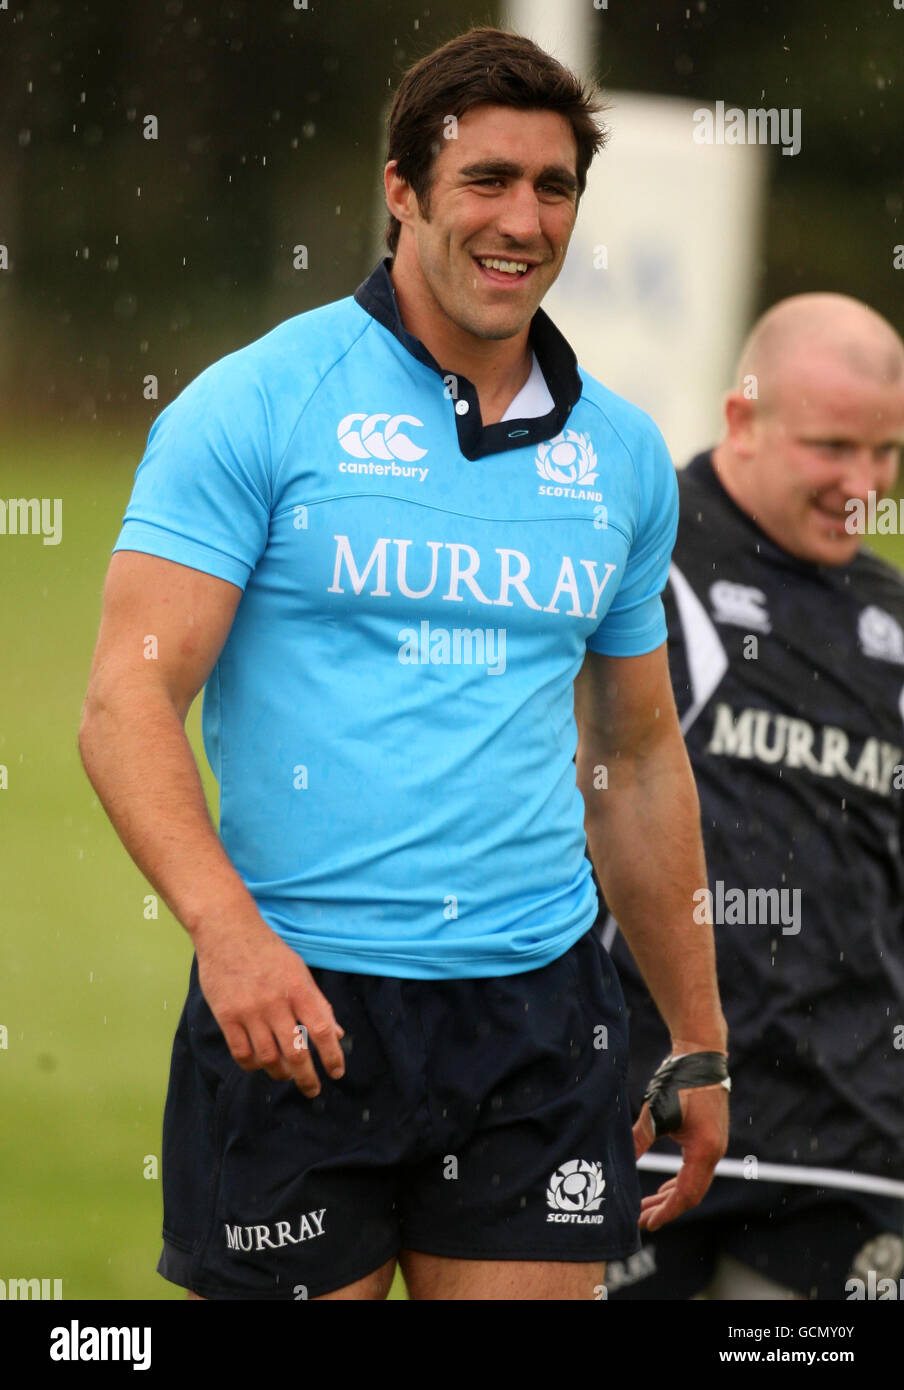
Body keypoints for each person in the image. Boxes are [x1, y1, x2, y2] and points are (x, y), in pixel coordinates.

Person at [78, 26, 728, 1302]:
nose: (521, 219)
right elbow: (125, 697)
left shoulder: (623, 456)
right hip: (297, 1002)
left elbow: (639, 759)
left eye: (552, 187)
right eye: (485, 179)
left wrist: (697, 1036)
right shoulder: (259, 401)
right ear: (400, 188)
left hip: (539, 1013)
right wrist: (228, 932)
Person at [605, 293, 904, 1301]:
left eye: (886, 453)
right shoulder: (640, 563)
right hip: (640, 1115)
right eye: (831, 448)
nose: (862, 486)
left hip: (844, 1148)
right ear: (742, 418)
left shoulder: (890, 626)